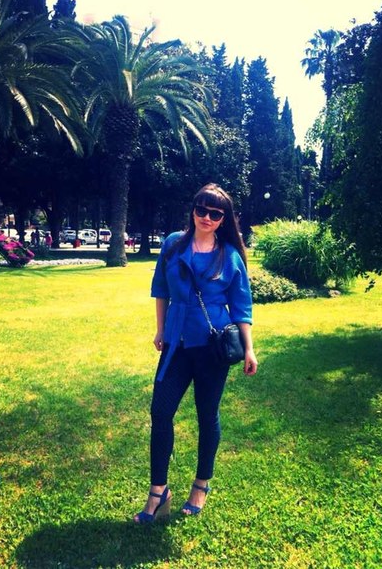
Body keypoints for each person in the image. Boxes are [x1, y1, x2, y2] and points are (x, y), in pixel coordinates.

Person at [133, 183, 258, 524]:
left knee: (207, 414)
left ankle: (201, 484)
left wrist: (249, 349)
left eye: (215, 214)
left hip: (212, 348)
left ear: (223, 220)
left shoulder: (229, 256)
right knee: (161, 412)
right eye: (201, 210)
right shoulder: (174, 244)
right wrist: (160, 329)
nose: (206, 217)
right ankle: (159, 492)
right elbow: (161, 289)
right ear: (193, 210)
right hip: (176, 344)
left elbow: (241, 306)